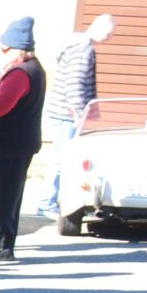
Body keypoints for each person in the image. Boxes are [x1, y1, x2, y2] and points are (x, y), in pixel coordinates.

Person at [0, 17, 46, 262]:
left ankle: (2, 245)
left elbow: (0, 107)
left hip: (10, 143)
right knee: (8, 194)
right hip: (18, 143)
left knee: (4, 196)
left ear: (17, 48)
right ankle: (3, 243)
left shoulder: (20, 72)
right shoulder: (32, 67)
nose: (2, 53)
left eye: (5, 48)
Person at [40, 14, 111, 217]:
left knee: (62, 158)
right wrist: (79, 113)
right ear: (98, 28)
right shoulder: (83, 49)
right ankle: (47, 202)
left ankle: (51, 200)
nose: (109, 37)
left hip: (62, 110)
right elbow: (74, 84)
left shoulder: (77, 45)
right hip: (67, 113)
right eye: (108, 33)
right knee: (62, 159)